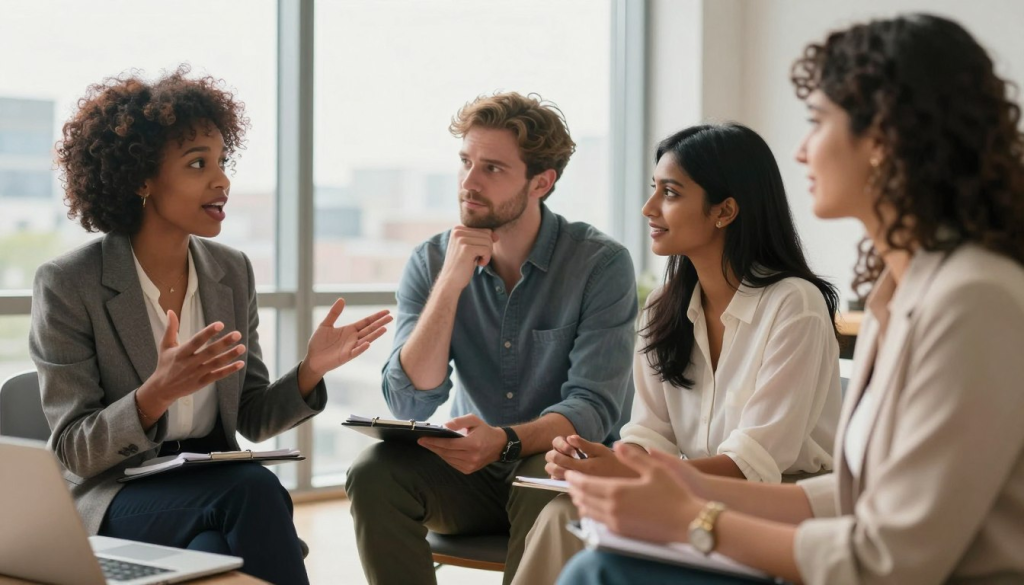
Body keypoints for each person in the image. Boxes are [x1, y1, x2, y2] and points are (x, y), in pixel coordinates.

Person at [558, 13, 1024, 585]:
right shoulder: (896, 293)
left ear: (882, 141)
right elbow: (860, 495)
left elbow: (890, 561)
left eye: (817, 122)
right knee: (600, 559)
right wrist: (686, 487)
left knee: (601, 570)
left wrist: (693, 518)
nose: (801, 151)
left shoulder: (973, 300)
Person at [30, 66, 391, 585]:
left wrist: (312, 369)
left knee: (213, 547)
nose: (221, 179)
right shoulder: (70, 283)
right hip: (116, 495)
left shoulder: (230, 271)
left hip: (210, 490)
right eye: (198, 164)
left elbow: (252, 415)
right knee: (252, 491)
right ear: (141, 180)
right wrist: (155, 394)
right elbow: (76, 452)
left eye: (222, 161)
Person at [512, 123, 842, 585]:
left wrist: (633, 472)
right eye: (653, 189)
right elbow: (650, 433)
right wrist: (606, 460)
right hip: (686, 494)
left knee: (585, 535)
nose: (649, 208)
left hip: (774, 512)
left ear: (724, 210)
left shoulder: (794, 304)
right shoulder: (662, 306)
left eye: (670, 193)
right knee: (562, 512)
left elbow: (755, 462)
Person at [345, 91, 638, 585]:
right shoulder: (432, 261)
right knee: (374, 469)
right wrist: (451, 285)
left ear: (541, 182)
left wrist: (503, 441)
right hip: (470, 479)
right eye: (466, 162)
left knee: (551, 471)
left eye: (493, 169)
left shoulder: (599, 264)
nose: (469, 182)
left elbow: (592, 408)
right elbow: (409, 400)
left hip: (555, 467)